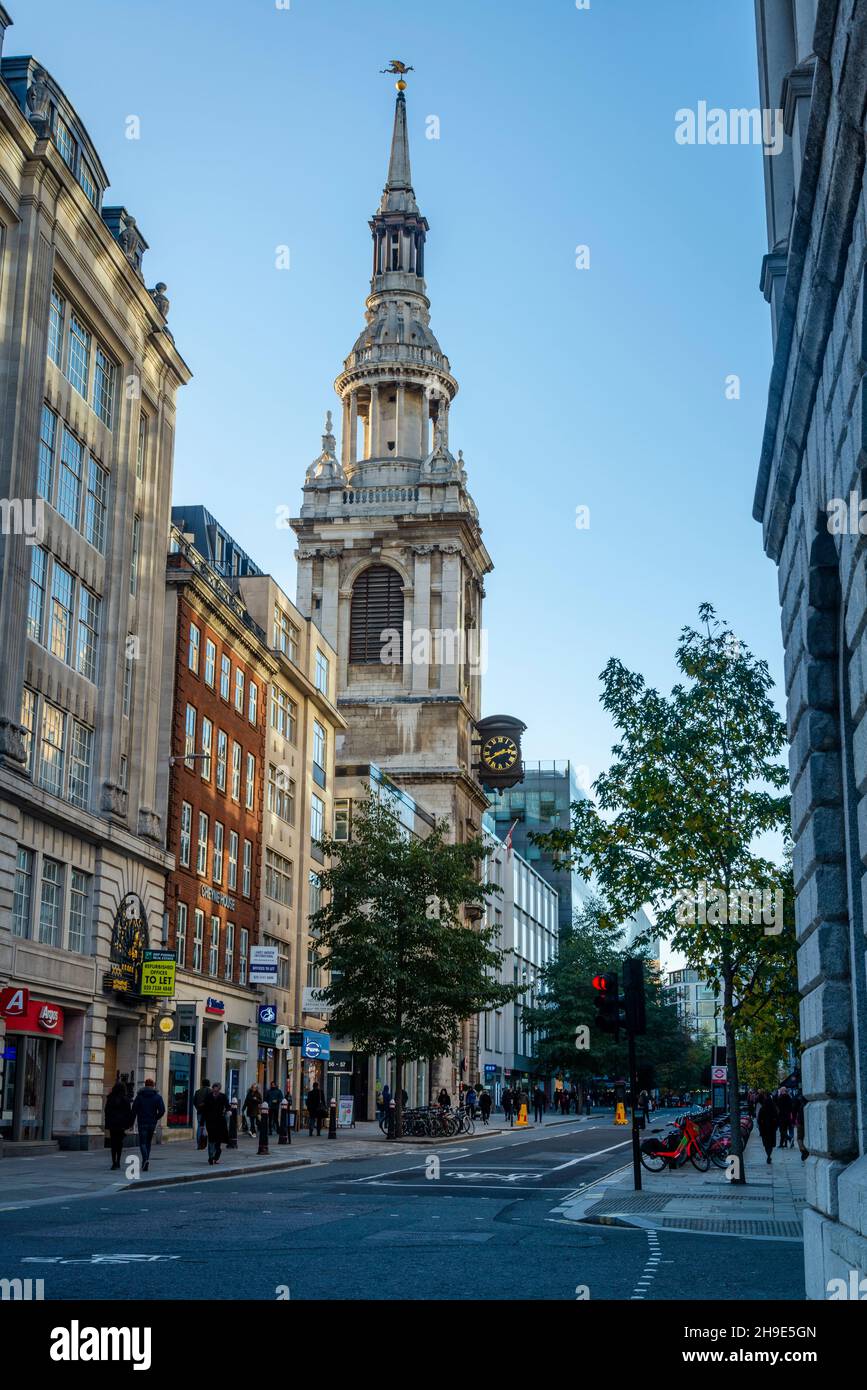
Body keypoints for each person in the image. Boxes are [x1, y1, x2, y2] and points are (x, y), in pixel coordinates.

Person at [130, 1078, 165, 1171]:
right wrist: (156, 1118)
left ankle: (145, 1159)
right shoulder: (157, 1097)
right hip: (152, 1123)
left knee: (142, 1143)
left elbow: (134, 1110)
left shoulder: (139, 1096)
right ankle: (146, 1160)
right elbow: (162, 1110)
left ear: (145, 1085)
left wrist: (131, 1122)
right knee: (148, 1142)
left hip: (142, 1122)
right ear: (153, 1085)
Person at [104, 1082, 132, 1170]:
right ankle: (118, 1162)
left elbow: (106, 1111)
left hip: (113, 1124)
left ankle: (114, 1162)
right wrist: (128, 1124)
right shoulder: (126, 1099)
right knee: (119, 1143)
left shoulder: (110, 1098)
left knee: (113, 1143)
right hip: (121, 1124)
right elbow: (129, 1113)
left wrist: (108, 1121)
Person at [202, 1081, 230, 1165]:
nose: (215, 1090)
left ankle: (216, 1157)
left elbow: (227, 1105)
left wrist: (229, 1111)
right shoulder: (208, 1097)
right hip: (210, 1121)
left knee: (218, 1140)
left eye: (217, 1089)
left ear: (219, 1089)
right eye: (214, 1088)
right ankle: (211, 1157)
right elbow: (204, 1110)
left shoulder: (223, 1096)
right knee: (211, 1139)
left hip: (220, 1121)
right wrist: (201, 1124)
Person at [756, 1090, 779, 1165]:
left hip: (764, 1129)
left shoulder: (763, 1108)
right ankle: (769, 1154)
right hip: (772, 1129)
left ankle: (768, 1154)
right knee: (771, 1143)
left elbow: (759, 1119)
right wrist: (776, 1126)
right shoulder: (774, 1108)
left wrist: (760, 1126)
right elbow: (777, 1117)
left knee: (766, 1143)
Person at [193, 1078, 210, 1148]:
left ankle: (199, 1143)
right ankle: (205, 1143)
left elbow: (194, 1102)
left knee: (200, 1127)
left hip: (199, 1112)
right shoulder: (210, 1091)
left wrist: (198, 1108)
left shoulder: (197, 1091)